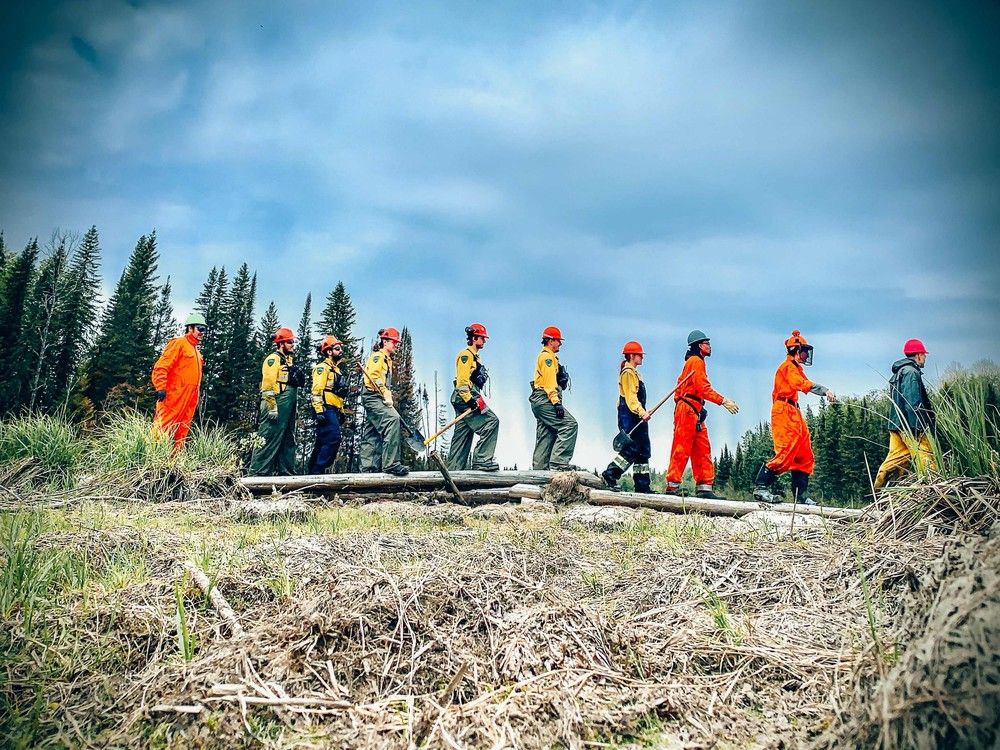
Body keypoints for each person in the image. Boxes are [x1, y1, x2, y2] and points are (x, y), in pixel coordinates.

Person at [754, 329, 836, 505]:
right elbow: (802, 384)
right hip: (783, 410)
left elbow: (804, 382)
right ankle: (761, 487)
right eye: (804, 351)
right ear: (796, 351)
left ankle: (800, 496)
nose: (807, 355)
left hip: (793, 410)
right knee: (785, 451)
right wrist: (824, 390)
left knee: (804, 453)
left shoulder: (796, 368)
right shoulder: (788, 367)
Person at [664, 330, 740, 499]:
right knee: (682, 446)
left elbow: (686, 387)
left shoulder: (693, 363)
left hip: (693, 409)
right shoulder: (696, 362)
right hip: (688, 410)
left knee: (702, 448)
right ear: (699, 346)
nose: (710, 347)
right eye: (707, 344)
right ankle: (672, 486)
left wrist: (700, 408)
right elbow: (702, 388)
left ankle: (705, 488)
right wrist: (723, 401)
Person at [873, 338, 936, 489]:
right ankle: (934, 490)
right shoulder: (911, 372)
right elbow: (912, 401)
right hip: (910, 425)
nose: (925, 358)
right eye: (924, 355)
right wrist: (918, 427)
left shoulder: (899, 372)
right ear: (918, 355)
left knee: (896, 459)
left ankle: (881, 492)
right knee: (926, 457)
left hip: (896, 425)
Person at [249, 327, 304, 476]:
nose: (293, 345)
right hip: (275, 404)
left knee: (288, 439)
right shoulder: (273, 360)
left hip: (287, 407)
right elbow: (267, 386)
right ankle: (257, 474)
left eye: (293, 342)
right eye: (290, 342)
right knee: (267, 438)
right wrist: (272, 407)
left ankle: (286, 473)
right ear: (281, 344)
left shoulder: (288, 362)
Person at [601, 341, 654, 492]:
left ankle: (642, 485)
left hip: (637, 417)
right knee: (632, 449)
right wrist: (642, 412)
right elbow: (631, 399)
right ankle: (609, 475)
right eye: (639, 355)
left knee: (643, 450)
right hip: (630, 416)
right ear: (632, 356)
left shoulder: (636, 373)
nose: (642, 358)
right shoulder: (628, 373)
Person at [447, 323, 500, 471]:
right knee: (492, 421)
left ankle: (453, 473)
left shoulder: (476, 357)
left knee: (463, 434)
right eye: (482, 338)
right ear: (474, 337)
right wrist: (469, 400)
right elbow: (462, 382)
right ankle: (482, 460)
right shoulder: (466, 355)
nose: (484, 341)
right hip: (466, 397)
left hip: (468, 395)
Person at [151, 312, 206, 450]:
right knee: (164, 426)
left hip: (190, 399)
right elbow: (161, 367)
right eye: (200, 328)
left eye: (204, 329)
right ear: (190, 328)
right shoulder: (179, 343)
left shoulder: (197, 353)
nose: (202, 333)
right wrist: (161, 387)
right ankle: (151, 458)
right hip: (173, 396)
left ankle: (174, 463)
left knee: (182, 430)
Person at [359, 327, 409, 476]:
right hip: (372, 395)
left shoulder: (387, 360)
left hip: (378, 396)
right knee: (393, 420)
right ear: (385, 341)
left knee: (372, 430)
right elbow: (373, 377)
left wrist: (385, 394)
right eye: (394, 342)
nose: (396, 345)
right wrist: (385, 392)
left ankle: (368, 468)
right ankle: (391, 464)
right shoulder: (378, 357)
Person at [529, 326, 578, 470]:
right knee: (569, 425)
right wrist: (556, 403)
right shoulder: (547, 358)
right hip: (546, 399)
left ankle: (539, 473)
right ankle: (559, 464)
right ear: (550, 341)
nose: (560, 344)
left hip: (541, 400)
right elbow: (550, 382)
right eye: (558, 341)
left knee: (546, 434)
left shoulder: (549, 357)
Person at [307, 334, 349, 474]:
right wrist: (319, 410)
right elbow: (316, 390)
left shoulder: (337, 371)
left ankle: (313, 471)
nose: (340, 351)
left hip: (334, 409)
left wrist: (341, 412)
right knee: (333, 438)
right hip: (325, 408)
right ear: (329, 352)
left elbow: (338, 394)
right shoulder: (322, 368)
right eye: (337, 349)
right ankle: (318, 469)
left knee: (322, 440)